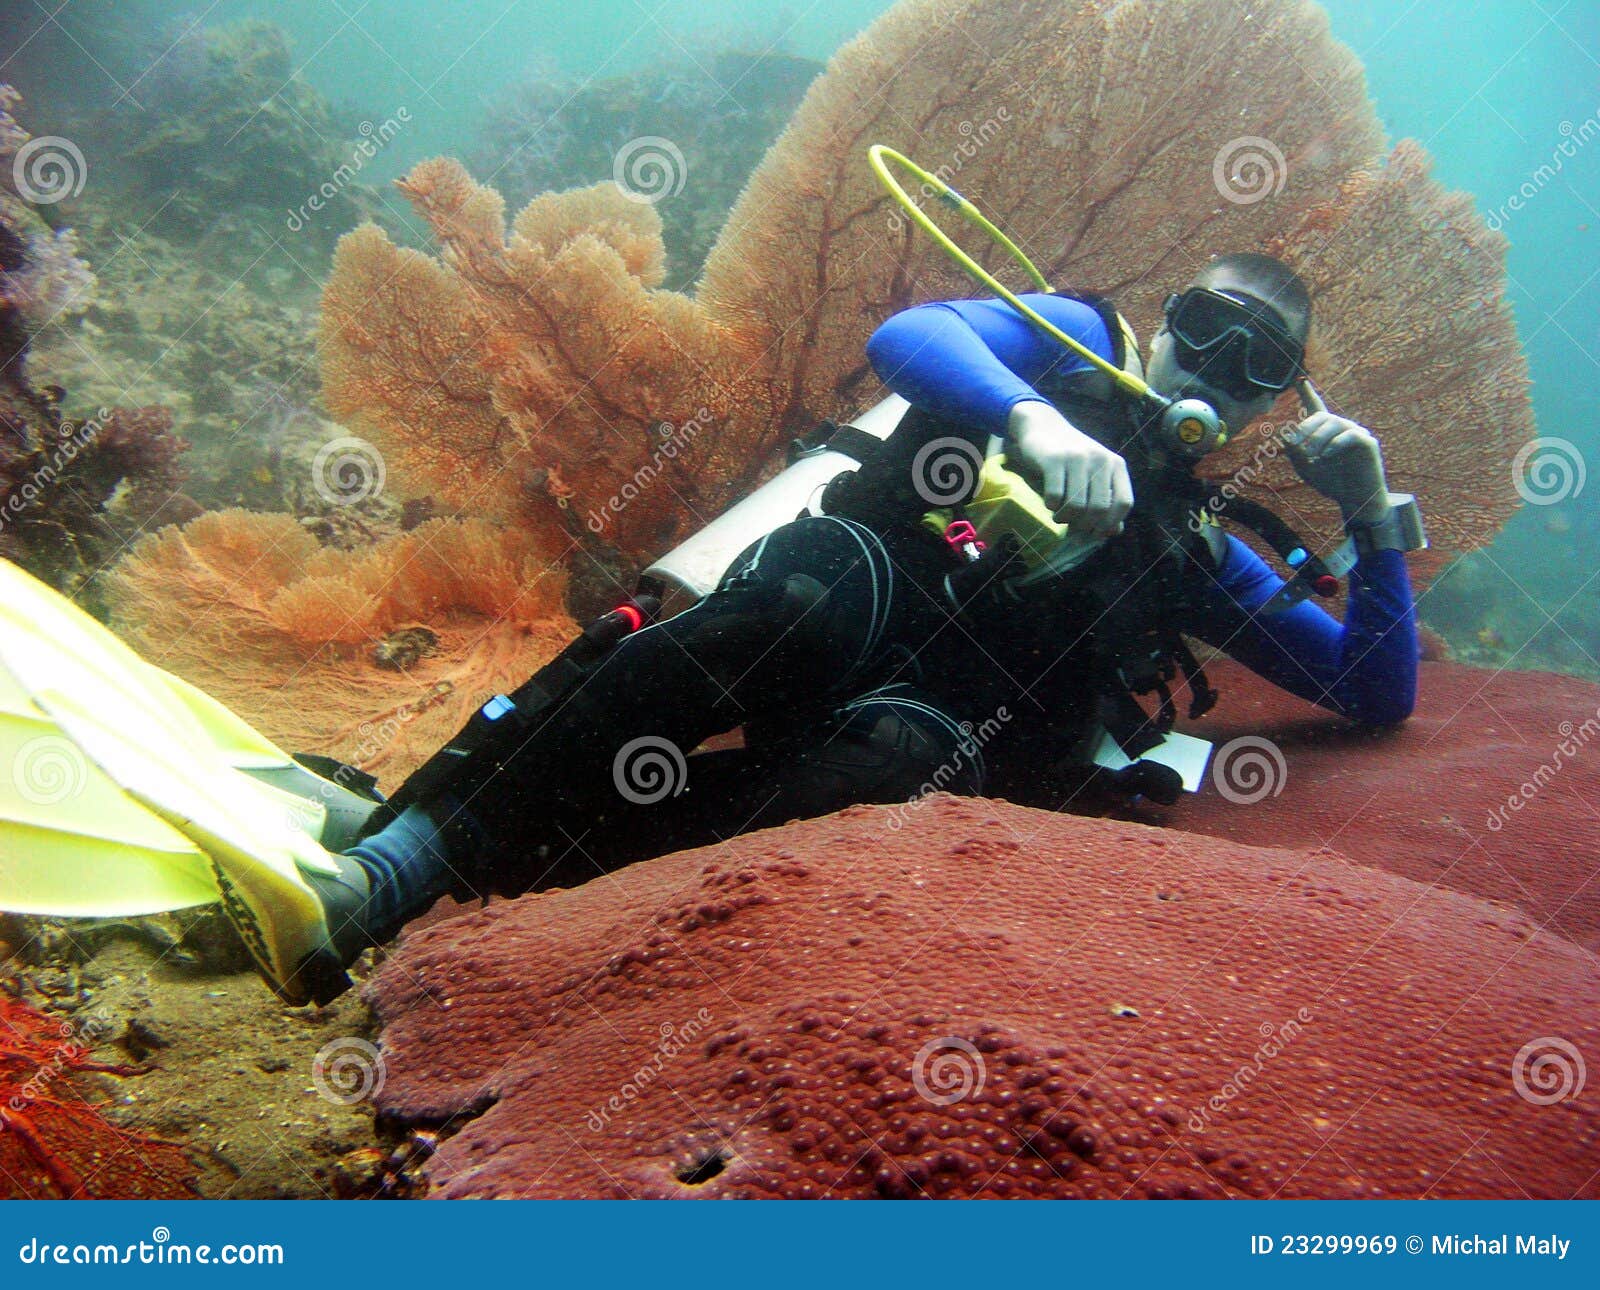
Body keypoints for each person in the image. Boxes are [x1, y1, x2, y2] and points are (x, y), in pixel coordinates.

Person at [0, 254, 1420, 1006]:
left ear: (1274, 405)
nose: (1215, 369)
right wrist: (1033, 418)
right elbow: (914, 335)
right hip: (859, 583)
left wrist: (1371, 526)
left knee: (857, 788)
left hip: (942, 716)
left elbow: (1371, 689)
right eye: (1204, 326)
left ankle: (473, 897)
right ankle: (391, 869)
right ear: (1165, 320)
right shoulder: (1067, 340)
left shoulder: (1202, 549)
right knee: (763, 626)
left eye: (1258, 365)